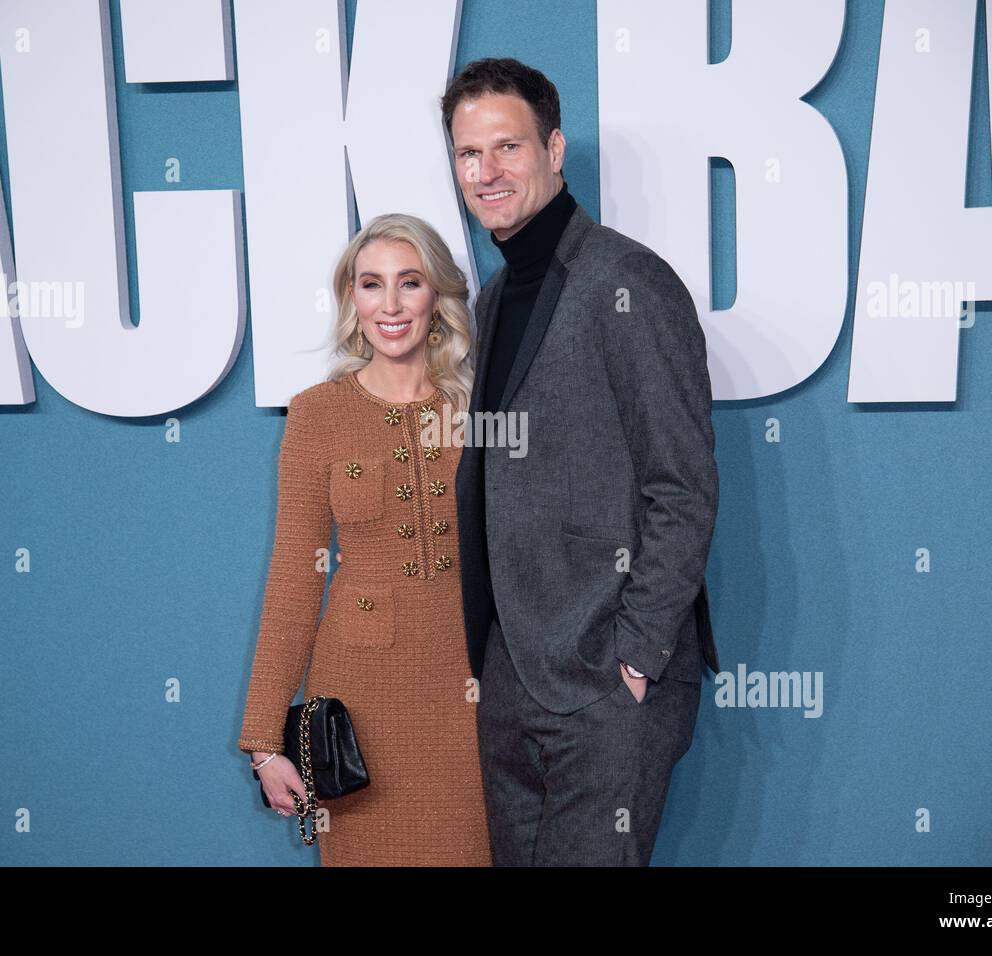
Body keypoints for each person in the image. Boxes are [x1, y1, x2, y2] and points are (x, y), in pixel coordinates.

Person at [442, 58, 721, 865]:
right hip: (512, 676)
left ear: (555, 149)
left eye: (508, 147)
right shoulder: (494, 301)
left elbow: (683, 485)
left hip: (605, 675)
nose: (486, 172)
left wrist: (634, 655)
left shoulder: (627, 281)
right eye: (468, 154)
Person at [236, 213, 490, 866]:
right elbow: (295, 577)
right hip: (359, 704)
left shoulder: (481, 409)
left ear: (438, 295)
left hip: (474, 694)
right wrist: (266, 741)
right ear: (352, 297)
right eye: (372, 284)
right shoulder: (318, 414)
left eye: (410, 282)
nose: (391, 304)